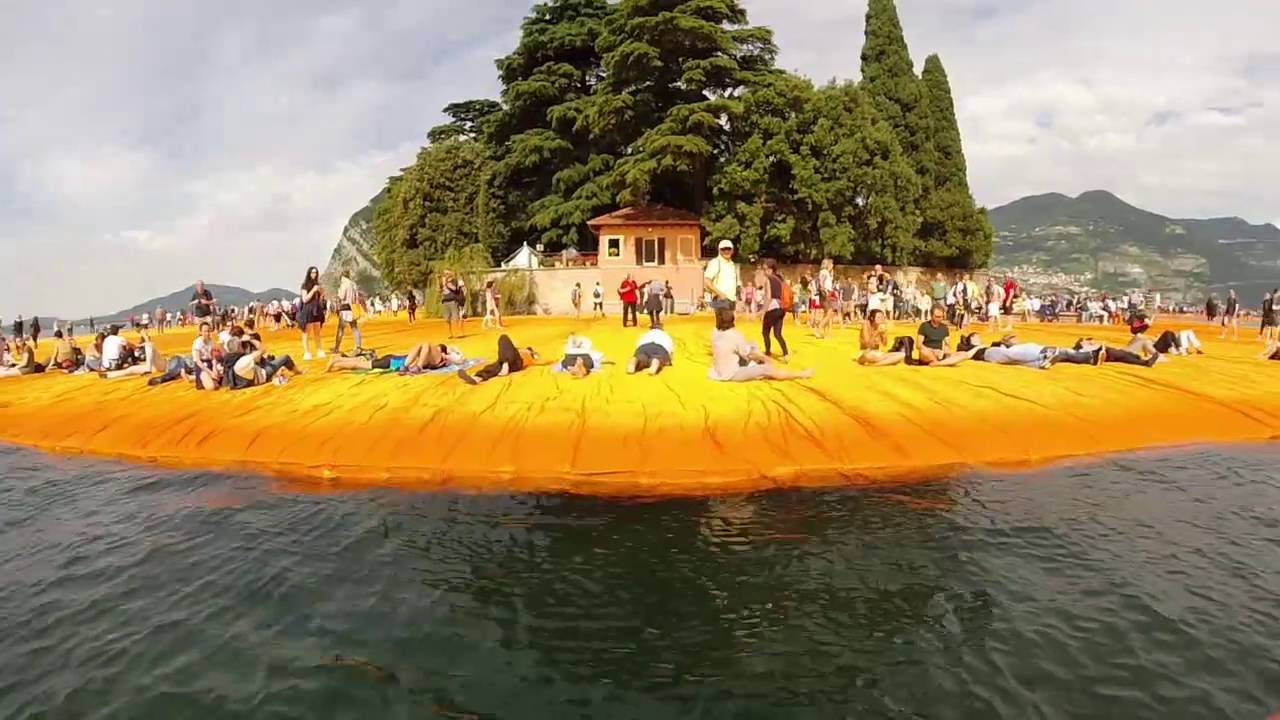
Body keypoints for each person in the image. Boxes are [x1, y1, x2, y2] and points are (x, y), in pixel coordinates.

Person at [708, 307, 814, 382]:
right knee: (765, 369)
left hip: (718, 370)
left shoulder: (715, 333)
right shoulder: (734, 335)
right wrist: (764, 358)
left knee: (751, 345)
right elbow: (748, 354)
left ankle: (758, 365)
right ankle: (801, 374)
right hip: (730, 374)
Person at [957, 332, 1101, 369]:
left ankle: (1089, 357)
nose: (979, 338)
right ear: (970, 340)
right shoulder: (975, 349)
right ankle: (1088, 355)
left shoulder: (989, 345)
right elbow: (964, 354)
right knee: (1014, 354)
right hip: (988, 354)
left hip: (995, 353)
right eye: (976, 337)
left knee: (1019, 360)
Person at [325, 342, 463, 374]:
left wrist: (451, 351)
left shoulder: (440, 358)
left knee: (362, 362)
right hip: (392, 362)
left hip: (394, 360)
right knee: (362, 365)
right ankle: (337, 361)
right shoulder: (429, 354)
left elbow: (460, 358)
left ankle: (338, 360)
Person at [222, 336, 300, 389]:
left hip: (245, 381)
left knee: (266, 360)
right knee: (285, 358)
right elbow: (263, 349)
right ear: (239, 347)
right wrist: (250, 339)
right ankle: (298, 372)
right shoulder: (244, 360)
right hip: (262, 377)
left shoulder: (228, 361)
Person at [458, 334, 539, 384]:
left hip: (517, 362)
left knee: (503, 337)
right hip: (512, 364)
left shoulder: (529, 354)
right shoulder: (514, 350)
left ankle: (505, 364)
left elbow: (539, 358)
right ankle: (477, 378)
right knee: (494, 367)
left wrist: (531, 352)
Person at [757, 258, 790, 361]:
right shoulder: (780, 279)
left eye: (765, 269)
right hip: (781, 308)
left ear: (771, 270)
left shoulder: (768, 279)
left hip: (772, 308)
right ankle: (786, 354)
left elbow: (768, 296)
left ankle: (767, 352)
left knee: (765, 332)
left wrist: (762, 311)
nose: (764, 271)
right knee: (777, 333)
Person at [297, 266, 326, 360]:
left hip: (316, 310)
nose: (314, 274)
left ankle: (319, 350)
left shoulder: (317, 284)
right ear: (309, 273)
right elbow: (305, 299)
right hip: (308, 310)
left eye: (316, 272)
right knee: (306, 333)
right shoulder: (305, 285)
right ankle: (307, 352)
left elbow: (320, 300)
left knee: (317, 332)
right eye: (312, 272)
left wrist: (321, 294)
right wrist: (313, 290)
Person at [331, 270, 363, 355]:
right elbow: (356, 296)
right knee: (354, 328)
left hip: (345, 307)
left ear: (342, 276)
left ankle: (336, 348)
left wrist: (337, 294)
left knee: (340, 328)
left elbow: (341, 296)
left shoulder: (344, 284)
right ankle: (358, 346)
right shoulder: (353, 284)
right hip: (352, 307)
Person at [703, 239, 740, 310]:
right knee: (726, 320)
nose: (726, 251)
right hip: (721, 299)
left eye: (728, 249)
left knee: (729, 320)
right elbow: (707, 281)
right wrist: (720, 294)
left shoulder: (731, 264)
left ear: (732, 250)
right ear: (719, 250)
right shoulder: (716, 262)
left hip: (731, 299)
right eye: (723, 249)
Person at [813, 258, 837, 339]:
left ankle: (824, 332)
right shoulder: (824, 272)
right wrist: (823, 289)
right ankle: (819, 328)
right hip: (826, 293)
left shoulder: (826, 272)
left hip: (826, 292)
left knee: (827, 313)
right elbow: (822, 282)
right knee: (829, 312)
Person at [440, 270, 466, 339]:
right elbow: (439, 291)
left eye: (446, 274)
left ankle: (458, 333)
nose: (444, 276)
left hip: (452, 301)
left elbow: (455, 289)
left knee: (455, 318)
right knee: (447, 319)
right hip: (445, 301)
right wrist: (442, 287)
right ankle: (450, 334)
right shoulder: (442, 283)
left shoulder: (453, 281)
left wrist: (447, 283)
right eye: (444, 274)